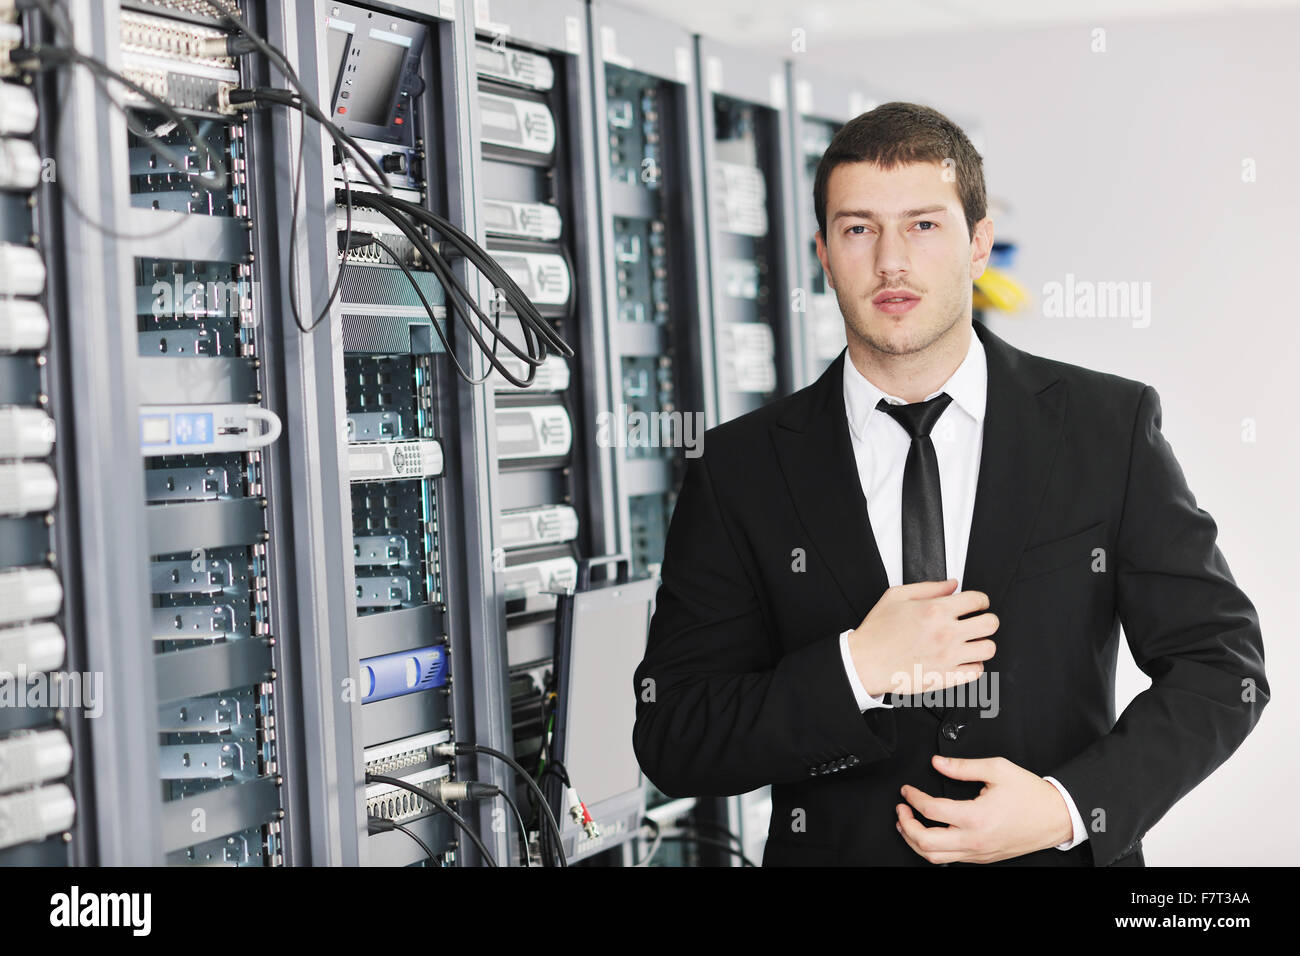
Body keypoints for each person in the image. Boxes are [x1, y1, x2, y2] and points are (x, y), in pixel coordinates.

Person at [631, 102, 1269, 866]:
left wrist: (1069, 807)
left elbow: (1221, 665)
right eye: (858, 228)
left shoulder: (1107, 426)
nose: (890, 262)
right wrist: (855, 668)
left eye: (924, 226)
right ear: (823, 255)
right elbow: (674, 733)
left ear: (977, 245)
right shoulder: (740, 468)